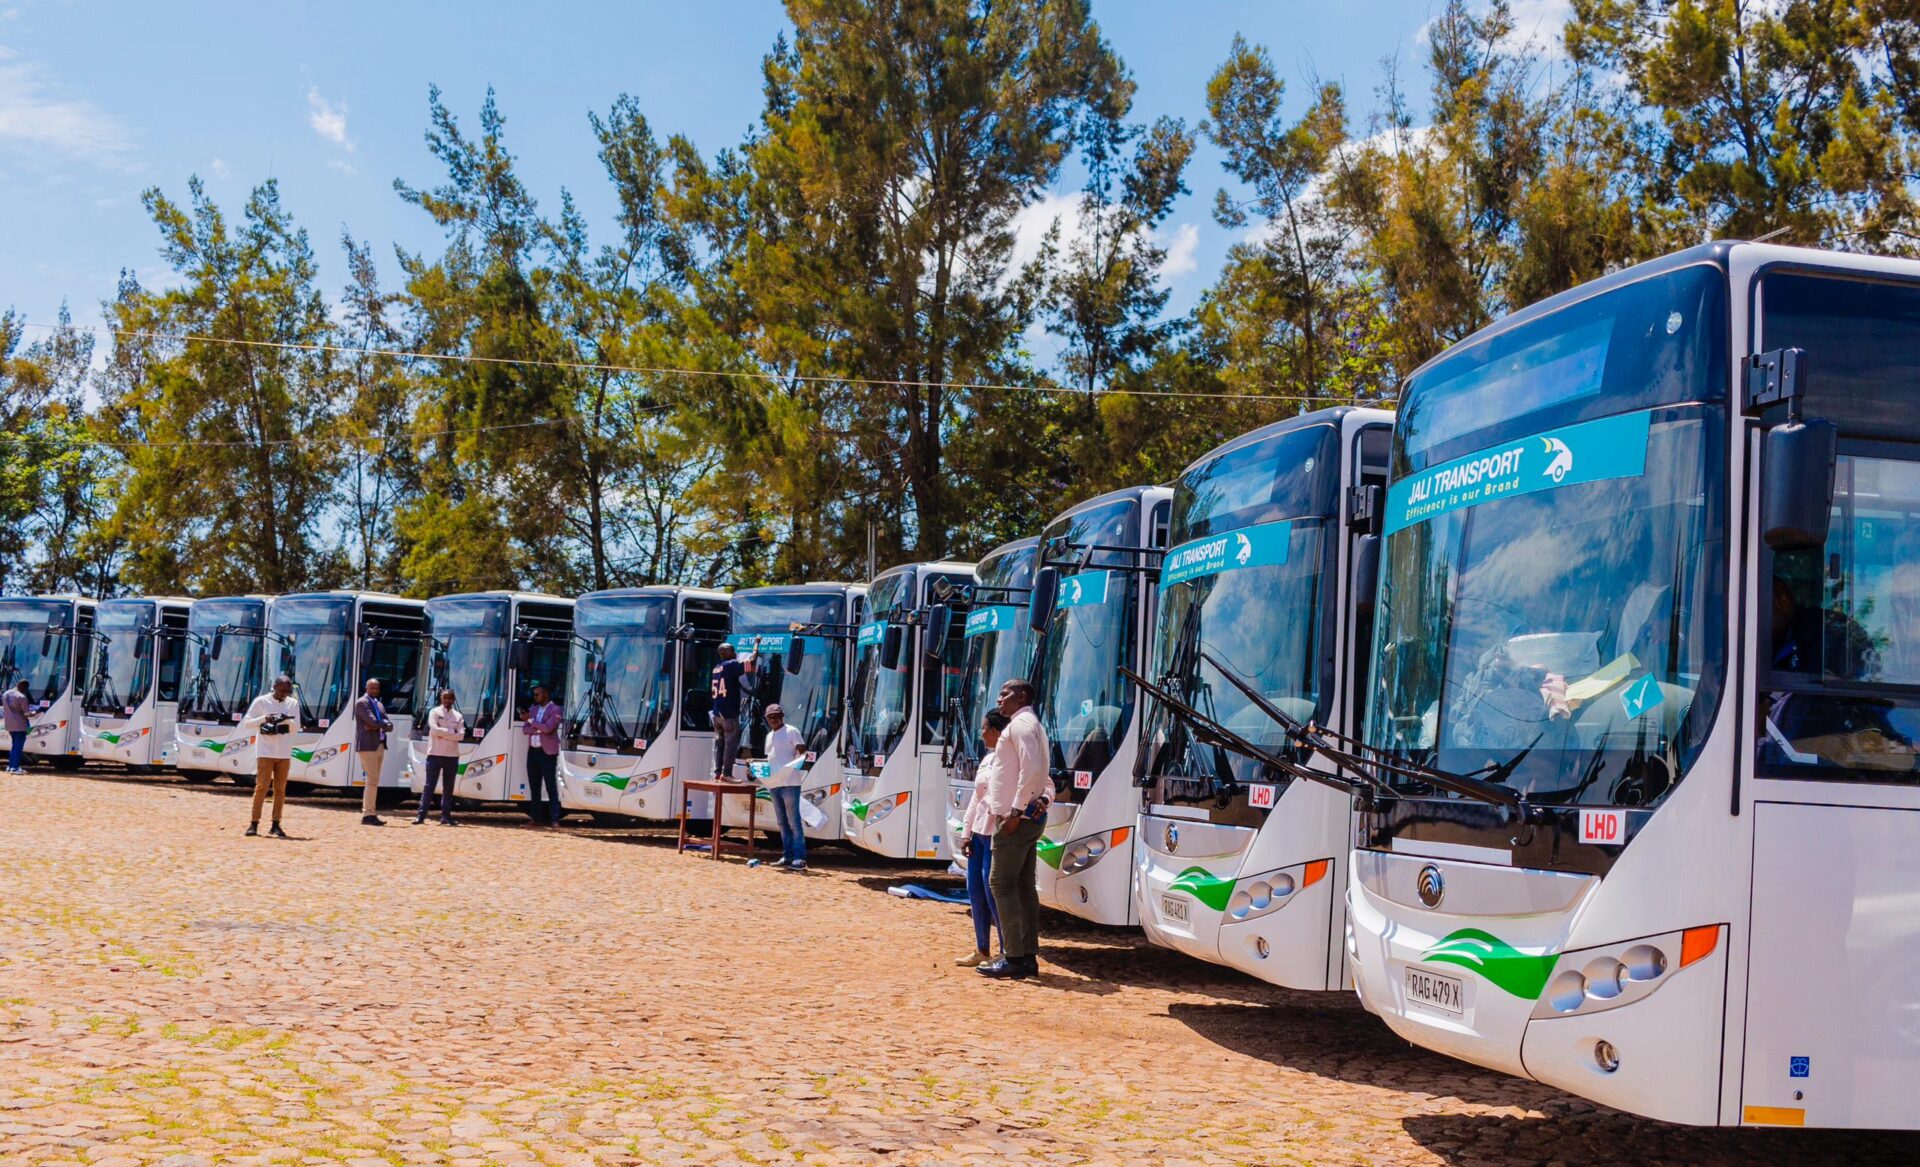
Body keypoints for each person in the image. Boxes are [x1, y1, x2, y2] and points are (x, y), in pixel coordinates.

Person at [980, 679, 1051, 980]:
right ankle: (1026, 956)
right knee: (1022, 887)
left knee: (1001, 884)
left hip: (1016, 819)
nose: (999, 699)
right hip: (1024, 818)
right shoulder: (1029, 724)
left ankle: (1013, 957)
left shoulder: (1021, 725)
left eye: (1005, 694)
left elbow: (1032, 769)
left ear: (1022, 696)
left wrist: (1016, 811)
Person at [955, 709, 1009, 968]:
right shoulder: (987, 759)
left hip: (994, 834)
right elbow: (975, 800)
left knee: (992, 892)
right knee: (974, 890)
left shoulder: (1010, 758)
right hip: (978, 834)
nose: (981, 733)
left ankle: (1006, 949)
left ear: (996, 731)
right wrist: (966, 834)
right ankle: (982, 949)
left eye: (984, 728)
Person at [243, 675, 300, 838]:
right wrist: (264, 719)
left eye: (287, 692)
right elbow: (247, 723)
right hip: (265, 751)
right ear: (274, 687)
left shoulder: (293, 703)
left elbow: (296, 729)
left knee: (280, 789)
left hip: (284, 752)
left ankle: (276, 823)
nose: (284, 695)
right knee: (261, 787)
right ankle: (254, 823)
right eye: (282, 691)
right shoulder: (261, 701)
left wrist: (287, 721)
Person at [759, 703, 809, 871]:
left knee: (794, 821)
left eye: (777, 716)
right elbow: (770, 759)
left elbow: (802, 751)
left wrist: (793, 766)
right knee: (782, 822)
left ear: (782, 716)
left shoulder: (791, 731)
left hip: (790, 783)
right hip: (775, 783)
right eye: (771, 717)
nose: (774, 719)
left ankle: (800, 858)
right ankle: (788, 856)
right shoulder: (768, 736)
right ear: (766, 719)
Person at [709, 642, 757, 780]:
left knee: (719, 744)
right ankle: (727, 774)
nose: (735, 652)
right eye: (732, 650)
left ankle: (717, 773)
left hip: (717, 714)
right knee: (731, 744)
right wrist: (756, 645)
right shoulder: (731, 665)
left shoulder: (716, 668)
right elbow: (752, 662)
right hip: (728, 714)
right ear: (726, 653)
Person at [417, 688, 464, 826]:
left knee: (448, 788)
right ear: (441, 699)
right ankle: (421, 816)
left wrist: (442, 733)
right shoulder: (434, 712)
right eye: (445, 698)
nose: (448, 700)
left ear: (454, 700)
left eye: (450, 698)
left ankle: (446, 817)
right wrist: (451, 732)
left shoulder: (458, 716)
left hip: (452, 756)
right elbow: (434, 729)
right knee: (429, 786)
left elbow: (461, 735)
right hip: (434, 754)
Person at [353, 678, 394, 826]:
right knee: (372, 779)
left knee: (374, 781)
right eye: (372, 688)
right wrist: (379, 725)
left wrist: (378, 726)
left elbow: (389, 725)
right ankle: (368, 814)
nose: (374, 691)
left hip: (380, 744)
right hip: (367, 746)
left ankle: (371, 812)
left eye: (376, 688)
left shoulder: (379, 704)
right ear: (366, 688)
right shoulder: (361, 703)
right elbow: (373, 722)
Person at [523, 683, 563, 826]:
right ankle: (536, 818)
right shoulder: (533, 709)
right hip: (533, 752)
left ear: (545, 694)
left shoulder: (556, 709)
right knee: (534, 787)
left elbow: (549, 728)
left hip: (547, 753)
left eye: (537, 694)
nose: (535, 697)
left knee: (550, 786)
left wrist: (532, 722)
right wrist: (537, 728)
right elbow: (525, 730)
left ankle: (554, 819)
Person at [3, 679, 30, 774]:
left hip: (9, 724)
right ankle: (16, 767)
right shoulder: (22, 697)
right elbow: (27, 714)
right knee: (18, 747)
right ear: (23, 687)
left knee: (14, 746)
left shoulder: (6, 693)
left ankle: (10, 766)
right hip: (20, 725)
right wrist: (35, 713)